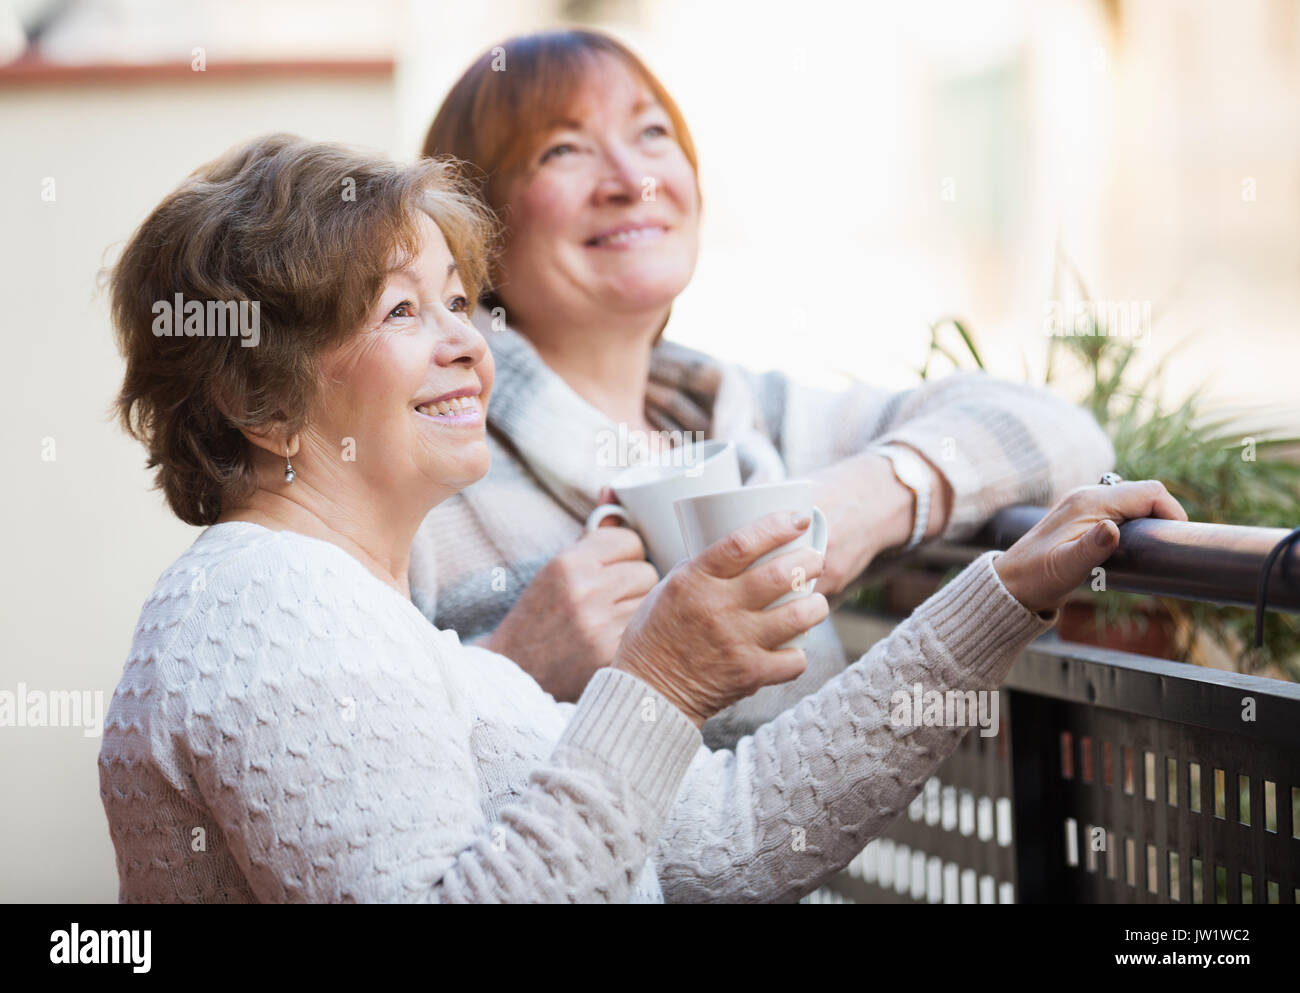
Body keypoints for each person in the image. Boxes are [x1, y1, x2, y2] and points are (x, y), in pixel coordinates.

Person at [97, 134, 1185, 903]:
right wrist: (656, 684)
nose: (470, 342)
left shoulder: (386, 632)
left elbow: (736, 835)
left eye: (460, 301)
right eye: (399, 310)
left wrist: (1000, 596)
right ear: (259, 402)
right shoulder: (265, 607)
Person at [412, 28, 1117, 748]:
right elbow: (334, 780)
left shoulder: (734, 415)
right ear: (473, 223)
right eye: (561, 149)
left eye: (652, 134)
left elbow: (1064, 435)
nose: (633, 180)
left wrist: (864, 502)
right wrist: (511, 666)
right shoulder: (422, 452)